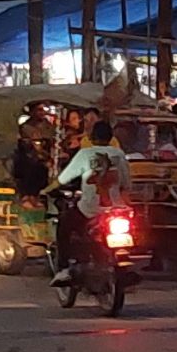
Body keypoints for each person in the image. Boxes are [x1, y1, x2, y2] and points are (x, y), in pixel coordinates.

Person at [49, 120, 134, 286]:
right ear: (111, 138)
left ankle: (64, 269)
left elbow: (64, 179)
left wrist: (47, 190)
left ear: (92, 137)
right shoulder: (119, 155)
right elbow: (126, 184)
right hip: (115, 209)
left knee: (64, 225)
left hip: (90, 209)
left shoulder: (84, 154)